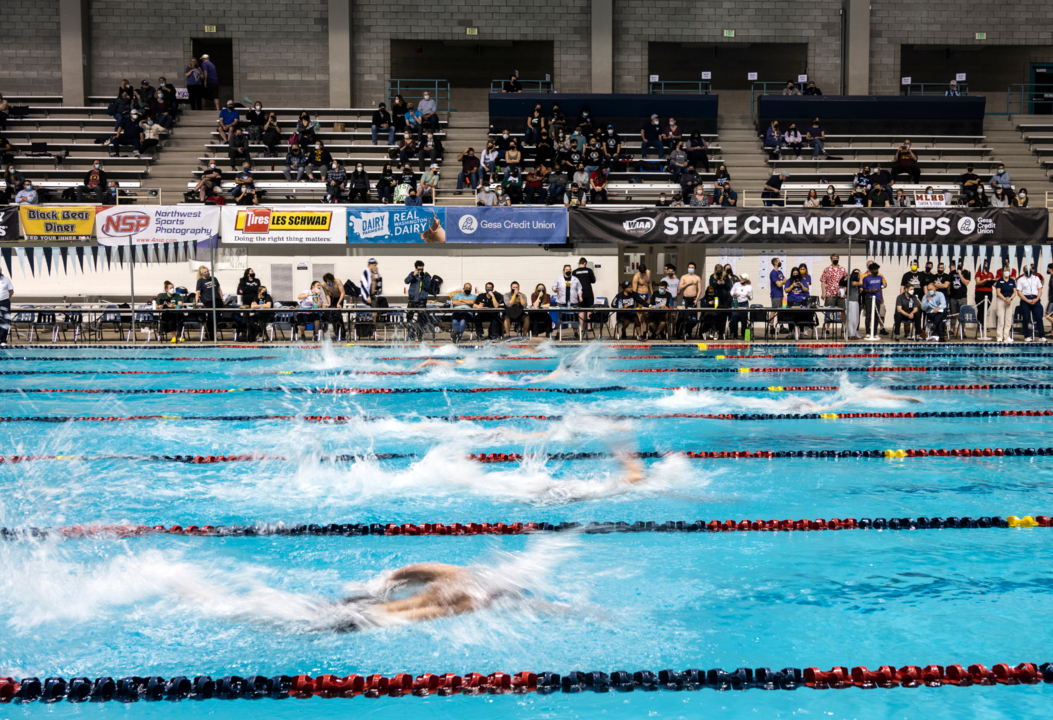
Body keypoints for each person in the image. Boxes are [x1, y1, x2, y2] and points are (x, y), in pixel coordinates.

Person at [1017, 264, 1046, 342]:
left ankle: (1041, 336)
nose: (1028, 271)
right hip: (1025, 299)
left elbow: (1040, 290)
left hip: (1035, 299)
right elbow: (1019, 292)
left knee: (1039, 318)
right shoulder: (1020, 279)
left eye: (1030, 269)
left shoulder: (1036, 278)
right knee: (1026, 318)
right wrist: (1027, 300)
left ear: (1033, 270)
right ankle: (1027, 336)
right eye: (1026, 269)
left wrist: (1037, 298)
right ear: (1024, 271)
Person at [194, 265, 223, 340]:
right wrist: (195, 302)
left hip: (217, 300)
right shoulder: (200, 281)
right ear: (202, 274)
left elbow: (219, 289)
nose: (207, 273)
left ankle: (213, 334)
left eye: (207, 271)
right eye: (205, 272)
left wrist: (221, 298)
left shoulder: (214, 279)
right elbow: (198, 292)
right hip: (208, 301)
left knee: (217, 318)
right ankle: (210, 333)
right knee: (211, 318)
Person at [860, 262, 885, 340]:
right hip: (869, 298)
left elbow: (881, 288)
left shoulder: (880, 277)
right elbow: (863, 290)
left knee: (876, 316)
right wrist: (870, 290)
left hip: (877, 298)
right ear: (870, 270)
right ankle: (868, 332)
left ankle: (874, 333)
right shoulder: (866, 278)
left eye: (877, 269)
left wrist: (881, 298)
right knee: (868, 316)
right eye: (874, 269)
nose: (876, 270)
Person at [992, 266, 1017, 343]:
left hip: (1010, 300)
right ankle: (999, 336)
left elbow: (1014, 292)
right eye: (1005, 270)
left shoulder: (1012, 281)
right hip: (1001, 300)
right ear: (1002, 272)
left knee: (1008, 319)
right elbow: (998, 292)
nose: (1007, 272)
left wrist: (1010, 299)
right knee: (1001, 319)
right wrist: (1005, 299)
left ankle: (1006, 337)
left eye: (1008, 270)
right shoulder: (999, 281)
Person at [572, 257, 596, 330]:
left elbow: (573, 283)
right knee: (589, 310)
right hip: (588, 292)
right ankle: (589, 327)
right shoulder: (589, 270)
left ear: (579, 263)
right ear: (585, 263)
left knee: (581, 310)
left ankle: (581, 328)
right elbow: (593, 280)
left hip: (579, 294)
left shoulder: (574, 272)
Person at [729, 273, 753, 339]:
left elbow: (751, 298)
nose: (740, 279)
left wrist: (748, 296)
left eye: (742, 278)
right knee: (735, 318)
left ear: (746, 280)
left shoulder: (749, 287)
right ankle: (735, 334)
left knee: (744, 319)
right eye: (740, 278)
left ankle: (743, 335)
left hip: (744, 303)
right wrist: (734, 294)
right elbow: (731, 292)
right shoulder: (736, 284)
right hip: (736, 303)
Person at [845, 269, 862, 340]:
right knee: (851, 318)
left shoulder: (855, 284)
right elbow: (861, 282)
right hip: (851, 302)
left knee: (856, 319)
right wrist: (861, 275)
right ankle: (850, 334)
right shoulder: (852, 282)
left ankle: (854, 333)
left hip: (855, 301)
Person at [0, 267, 12, 347]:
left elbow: (11, 291)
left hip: (4, 302)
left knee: (4, 321)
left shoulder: (6, 280)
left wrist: (7, 299)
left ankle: (3, 340)